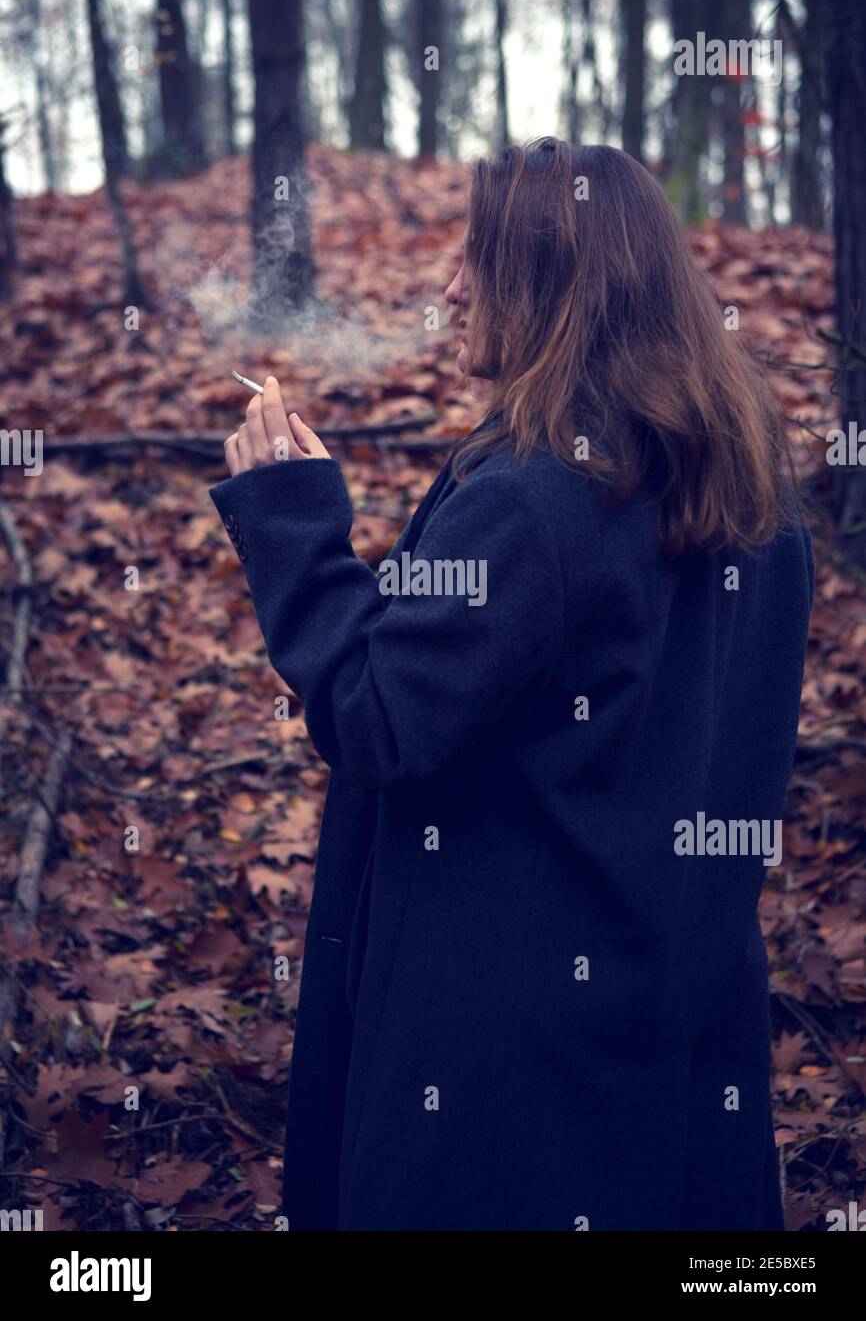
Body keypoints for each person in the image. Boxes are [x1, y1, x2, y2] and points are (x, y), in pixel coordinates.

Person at [210, 138, 814, 1231]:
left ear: (548, 280)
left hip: (500, 1056)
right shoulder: (747, 486)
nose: (445, 283)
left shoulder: (536, 499)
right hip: (668, 1002)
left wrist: (295, 523)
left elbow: (374, 716)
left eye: (475, 256)